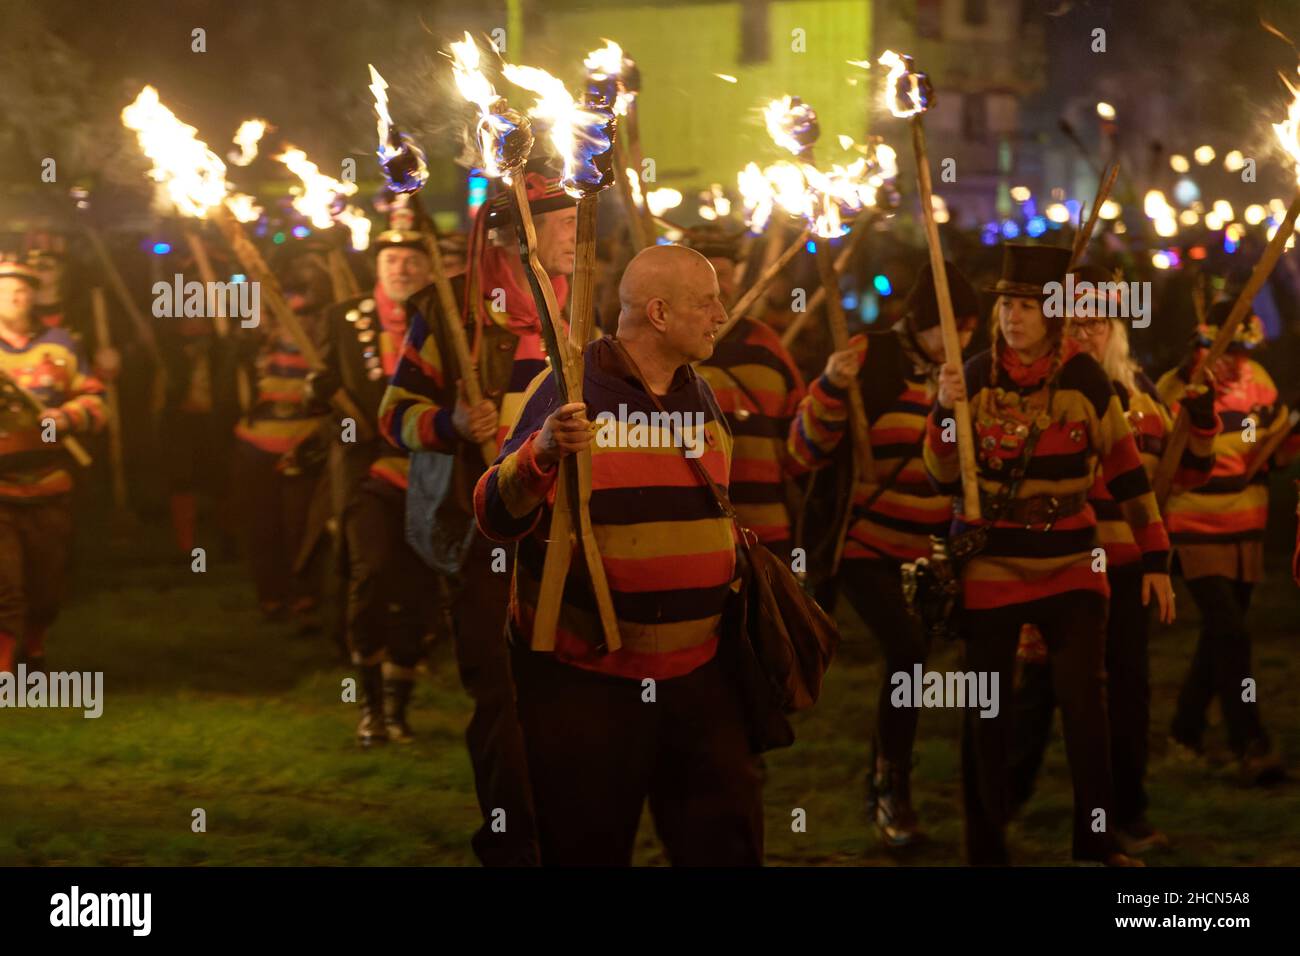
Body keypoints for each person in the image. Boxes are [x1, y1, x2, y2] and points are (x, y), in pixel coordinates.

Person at [474, 244, 762, 866]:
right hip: (590, 685)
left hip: (701, 676)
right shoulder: (572, 388)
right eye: (706, 300)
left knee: (726, 845)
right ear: (659, 312)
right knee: (587, 848)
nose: (722, 312)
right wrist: (542, 452)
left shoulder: (700, 393)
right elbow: (495, 514)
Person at [927, 244, 1170, 867]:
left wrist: (1156, 559)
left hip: (1072, 567)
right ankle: (985, 849)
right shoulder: (974, 375)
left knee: (1087, 710)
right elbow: (939, 472)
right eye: (1007, 303)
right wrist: (942, 409)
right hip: (991, 570)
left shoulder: (1087, 379)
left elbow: (1126, 473)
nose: (1013, 316)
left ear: (1054, 314)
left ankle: (1095, 847)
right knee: (987, 712)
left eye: (1029, 305)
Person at [377, 167, 578, 866]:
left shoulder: (576, 313)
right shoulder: (449, 312)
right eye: (561, 222)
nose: (577, 236)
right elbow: (393, 417)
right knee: (503, 700)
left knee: (566, 699)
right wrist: (453, 423)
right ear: (515, 237)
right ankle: (509, 845)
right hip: (483, 535)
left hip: (567, 537)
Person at [1007, 265, 1218, 855]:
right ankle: (1004, 799)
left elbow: (1182, 475)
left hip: (1126, 570)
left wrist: (1199, 422)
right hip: (1061, 564)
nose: (1086, 333)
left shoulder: (1145, 395)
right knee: (1042, 687)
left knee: (1128, 690)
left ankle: (1124, 812)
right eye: (1075, 321)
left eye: (1097, 322)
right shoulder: (1043, 393)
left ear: (1116, 329)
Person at [788, 259, 978, 848]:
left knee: (922, 664)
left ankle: (910, 780)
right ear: (924, 321)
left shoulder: (965, 373)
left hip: (930, 550)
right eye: (954, 325)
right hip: (868, 545)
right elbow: (805, 450)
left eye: (970, 328)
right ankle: (891, 789)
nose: (965, 339)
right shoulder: (870, 356)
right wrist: (831, 388)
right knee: (908, 648)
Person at [1158, 303, 1300, 784]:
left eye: (1242, 349)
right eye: (1225, 349)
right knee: (1232, 634)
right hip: (1194, 525)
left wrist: (1281, 445)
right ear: (1203, 343)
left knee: (1220, 635)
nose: (1235, 360)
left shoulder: (1258, 379)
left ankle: (1185, 731)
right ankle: (1250, 740)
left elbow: (1273, 442)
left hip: (1247, 527)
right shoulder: (1181, 387)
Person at [308, 219, 436, 746]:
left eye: (411, 259)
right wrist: (322, 392)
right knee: (372, 573)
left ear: (426, 267)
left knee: (419, 589)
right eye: (391, 260)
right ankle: (369, 708)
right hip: (366, 472)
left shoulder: (442, 321)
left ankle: (399, 708)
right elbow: (318, 400)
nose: (401, 267)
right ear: (377, 266)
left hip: (429, 469)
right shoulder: (343, 317)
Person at [0, 260, 104, 674]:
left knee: (45, 587)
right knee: (4, 587)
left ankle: (35, 651)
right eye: (5, 289)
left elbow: (95, 400)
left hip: (49, 483)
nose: (14, 296)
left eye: (22, 289)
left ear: (34, 295)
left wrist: (67, 418)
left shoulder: (60, 345)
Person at [231, 242, 332, 625]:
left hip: (303, 439)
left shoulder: (326, 335)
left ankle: (304, 593)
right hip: (256, 442)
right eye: (288, 301)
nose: (295, 312)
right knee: (262, 522)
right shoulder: (257, 335)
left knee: (302, 524)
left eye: (303, 304)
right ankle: (271, 594)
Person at [691, 226, 807, 553]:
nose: (714, 287)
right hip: (694, 533)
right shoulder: (665, 351)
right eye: (703, 274)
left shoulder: (766, 344)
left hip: (765, 531)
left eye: (723, 274)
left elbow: (800, 440)